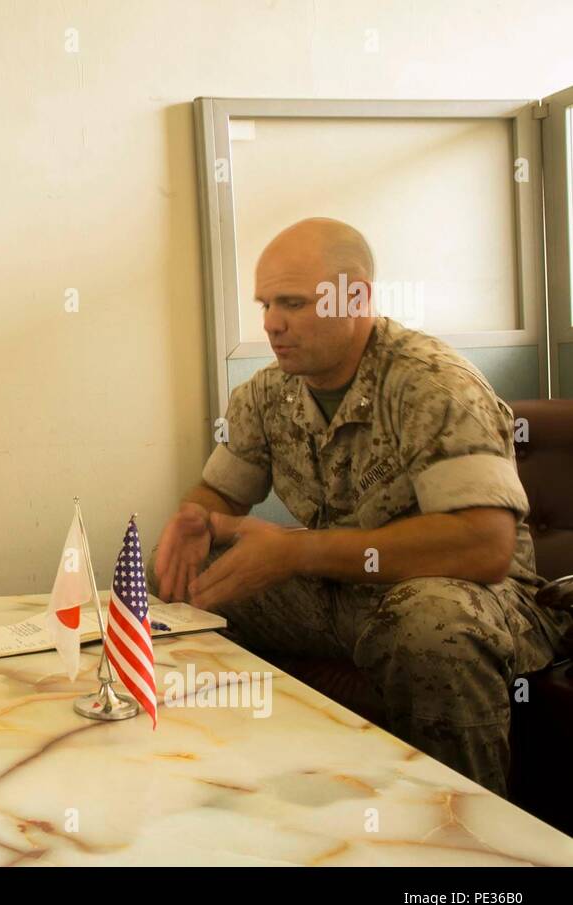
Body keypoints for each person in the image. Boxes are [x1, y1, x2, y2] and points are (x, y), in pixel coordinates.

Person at [151, 217, 572, 797]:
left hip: (464, 595)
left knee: (429, 624)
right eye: (267, 303)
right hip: (340, 593)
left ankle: (463, 842)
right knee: (185, 572)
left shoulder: (432, 385)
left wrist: (299, 552)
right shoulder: (268, 393)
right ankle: (242, 790)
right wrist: (194, 519)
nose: (272, 323)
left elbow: (486, 547)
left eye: (293, 303)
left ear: (356, 297)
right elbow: (220, 494)